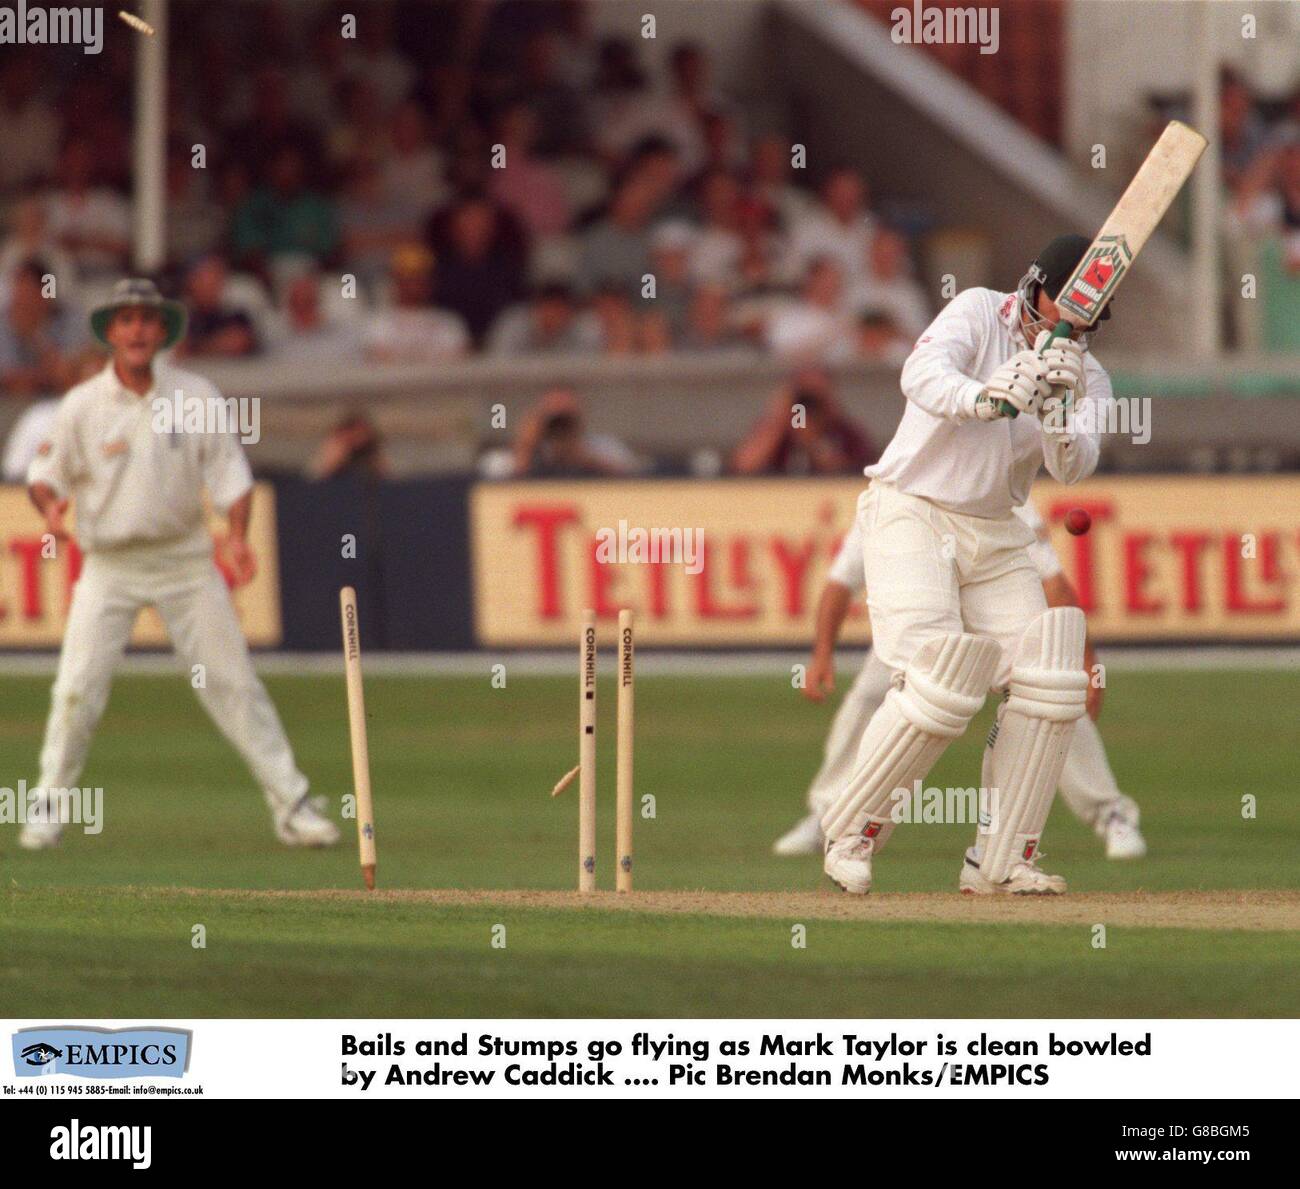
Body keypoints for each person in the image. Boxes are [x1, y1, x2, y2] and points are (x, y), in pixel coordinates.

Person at [818, 234, 1111, 896]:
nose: (1070, 324)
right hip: (912, 509)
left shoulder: (1088, 375)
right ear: (1034, 286)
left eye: (1085, 315)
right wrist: (986, 397)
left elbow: (1074, 465)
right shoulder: (978, 309)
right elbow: (919, 374)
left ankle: (1000, 859)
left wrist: (1058, 411)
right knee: (937, 677)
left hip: (996, 530)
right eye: (1063, 306)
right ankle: (850, 834)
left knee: (1050, 676)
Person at [18, 278, 338, 851]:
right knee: (75, 690)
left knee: (233, 684)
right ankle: (47, 809)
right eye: (126, 320)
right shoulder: (83, 405)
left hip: (185, 562)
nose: (138, 330)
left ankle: (292, 806)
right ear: (111, 333)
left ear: (163, 330)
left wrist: (236, 537)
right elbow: (45, 476)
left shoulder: (197, 396)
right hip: (109, 566)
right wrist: (51, 508)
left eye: (147, 319)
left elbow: (231, 476)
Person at [774, 500, 1146, 861]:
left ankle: (1110, 813)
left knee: (1049, 691)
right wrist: (821, 655)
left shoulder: (1004, 496)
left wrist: (1085, 660)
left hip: (996, 615)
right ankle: (829, 815)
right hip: (927, 626)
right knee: (869, 697)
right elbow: (840, 583)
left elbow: (1053, 582)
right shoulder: (893, 498)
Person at [731, 369, 875, 476]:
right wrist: (779, 418)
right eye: (802, 402)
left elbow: (851, 473)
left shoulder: (846, 433)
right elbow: (744, 466)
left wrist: (812, 441)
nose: (806, 409)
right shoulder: (777, 430)